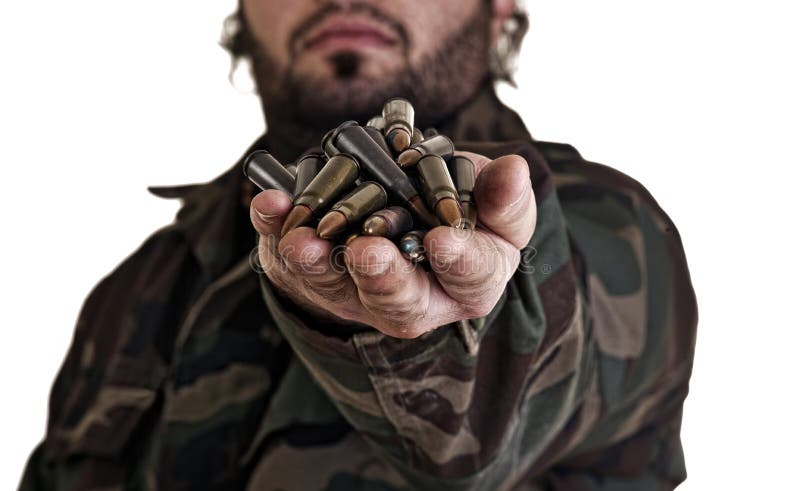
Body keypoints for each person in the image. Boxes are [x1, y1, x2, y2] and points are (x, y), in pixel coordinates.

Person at [19, 0, 697, 489]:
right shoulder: (140, 287)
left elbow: (498, 412)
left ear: (500, 8)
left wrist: (443, 313)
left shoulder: (614, 227)